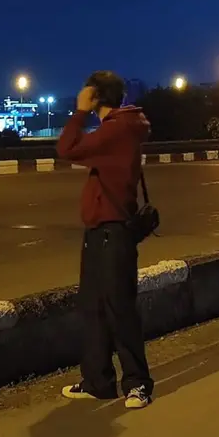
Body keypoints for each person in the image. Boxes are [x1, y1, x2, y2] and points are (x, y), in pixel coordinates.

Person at [57, 70, 154, 409]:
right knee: (93, 308)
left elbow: (67, 148)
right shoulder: (120, 127)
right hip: (101, 230)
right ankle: (98, 381)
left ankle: (138, 384)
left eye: (86, 92)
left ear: (95, 96)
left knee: (119, 308)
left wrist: (80, 112)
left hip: (113, 229)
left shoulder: (116, 130)